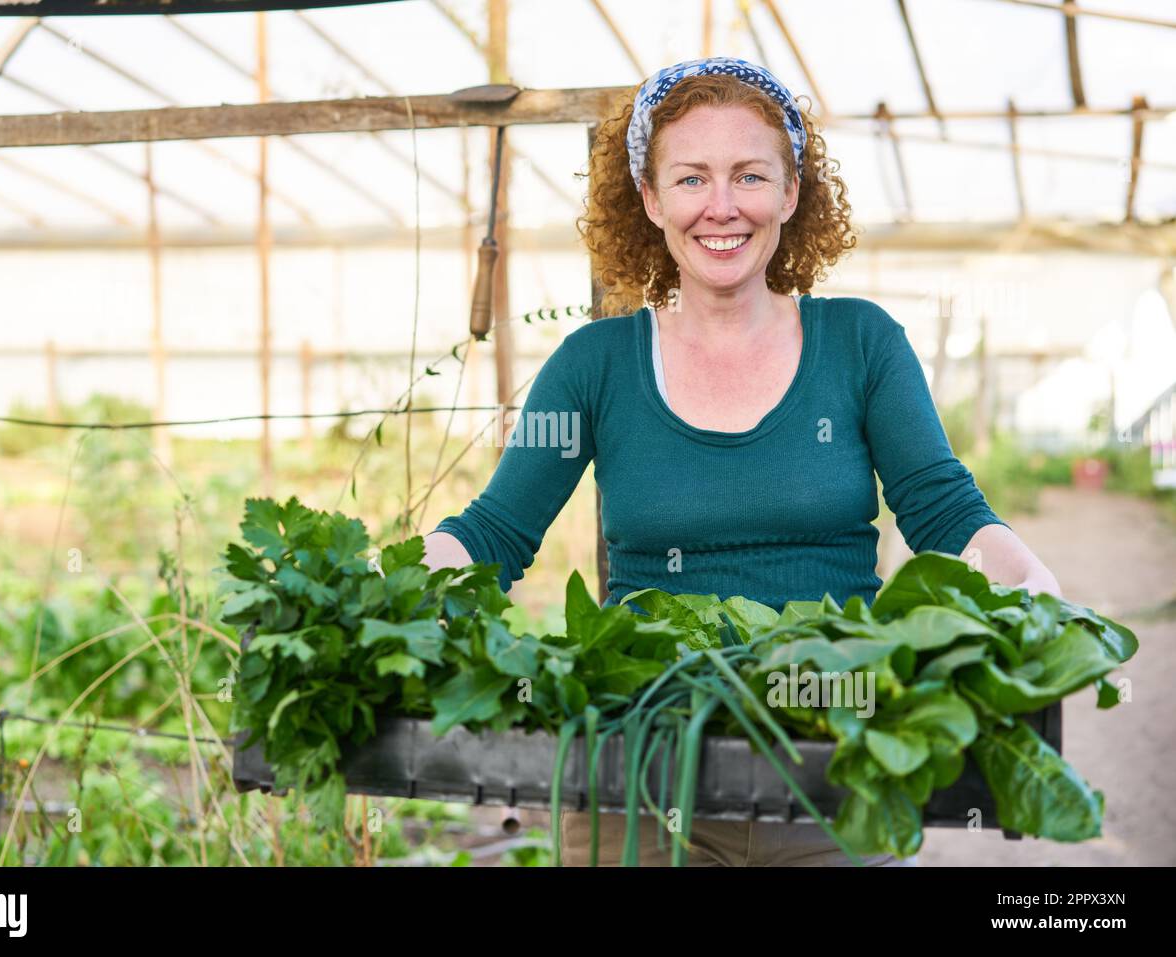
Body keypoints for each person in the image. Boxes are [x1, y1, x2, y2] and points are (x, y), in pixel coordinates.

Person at [421, 56, 1061, 866]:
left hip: (832, 763)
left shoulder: (863, 344)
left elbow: (943, 511)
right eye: (690, 179)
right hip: (640, 770)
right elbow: (496, 531)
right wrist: (398, 586)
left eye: (750, 176)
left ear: (792, 192)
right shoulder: (595, 365)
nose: (720, 208)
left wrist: (1037, 589)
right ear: (650, 199)